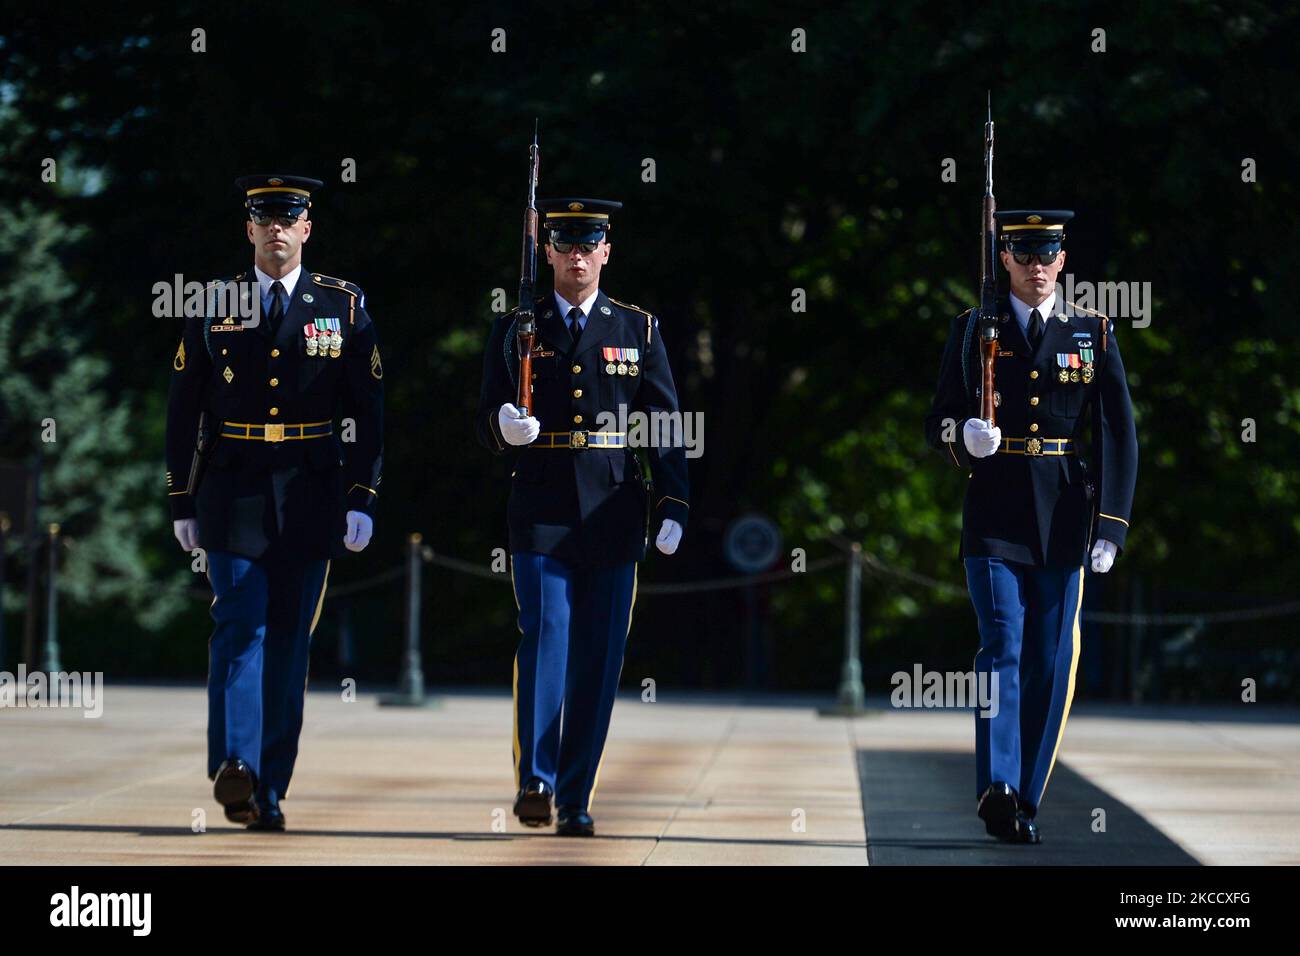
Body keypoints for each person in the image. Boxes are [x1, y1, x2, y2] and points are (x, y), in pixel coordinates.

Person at [165, 174, 384, 831]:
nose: (277, 229)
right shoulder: (214, 304)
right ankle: (236, 763)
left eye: (289, 218)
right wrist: (181, 497)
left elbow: (369, 412)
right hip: (232, 487)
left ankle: (270, 786)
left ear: (307, 229)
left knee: (288, 644)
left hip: (311, 489)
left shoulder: (342, 306)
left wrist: (363, 496)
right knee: (239, 624)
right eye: (265, 218)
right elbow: (183, 410)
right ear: (250, 229)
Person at [476, 197, 689, 836]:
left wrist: (671, 501)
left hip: (614, 507)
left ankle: (574, 794)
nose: (575, 255)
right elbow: (486, 415)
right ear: (547, 252)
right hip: (541, 504)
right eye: (563, 243)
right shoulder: (517, 326)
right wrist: (502, 428)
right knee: (546, 635)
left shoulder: (637, 329)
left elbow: (664, 423)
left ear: (605, 251)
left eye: (586, 243)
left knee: (599, 657)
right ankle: (536, 779)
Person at [924, 210, 1137, 844]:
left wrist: (1113, 524)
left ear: (1062, 260)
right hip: (994, 515)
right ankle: (996, 784)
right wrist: (963, 438)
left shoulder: (1090, 331)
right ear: (1007, 261)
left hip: (1066, 515)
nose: (1037, 266)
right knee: (1001, 646)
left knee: (1051, 658)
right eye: (1024, 254)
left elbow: (1118, 434)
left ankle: (1025, 792)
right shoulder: (972, 331)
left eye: (1048, 254)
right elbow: (937, 421)